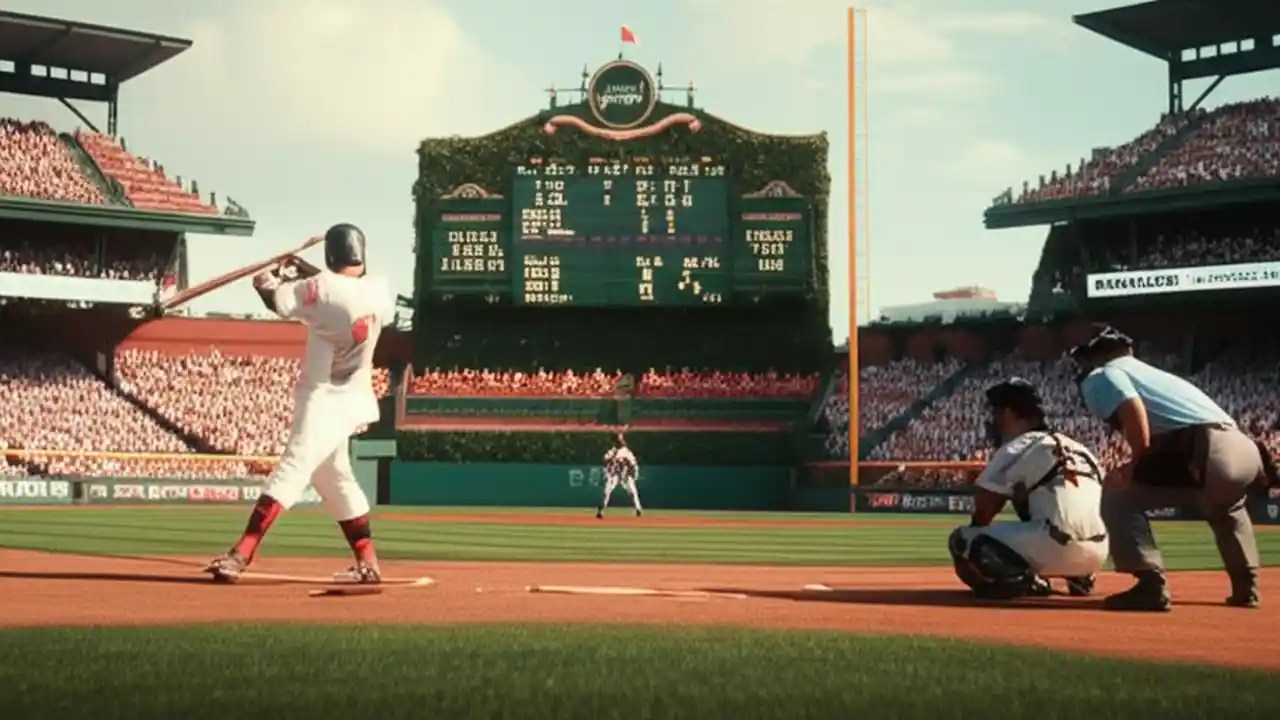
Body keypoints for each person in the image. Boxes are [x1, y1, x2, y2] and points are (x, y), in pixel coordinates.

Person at [205, 223, 396, 584]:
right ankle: (367, 562)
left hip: (323, 399)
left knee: (292, 467)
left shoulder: (320, 289)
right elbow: (337, 285)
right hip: (355, 397)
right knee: (334, 477)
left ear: (330, 255)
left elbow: (274, 297)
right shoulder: (377, 290)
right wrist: (296, 268)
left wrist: (269, 272)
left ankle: (240, 554)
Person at [1071, 324, 1271, 611]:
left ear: (1093, 355)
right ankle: (1247, 588)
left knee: (1119, 496)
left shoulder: (1103, 373)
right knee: (1228, 509)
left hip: (1207, 450)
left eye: (1081, 357)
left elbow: (1131, 408)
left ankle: (1150, 586)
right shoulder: (1154, 374)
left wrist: (1135, 463)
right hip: (1245, 451)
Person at [948, 378, 1108, 600]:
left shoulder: (1018, 446)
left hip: (1054, 547)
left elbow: (984, 511)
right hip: (1098, 553)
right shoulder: (1081, 449)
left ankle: (1019, 580)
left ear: (1009, 413)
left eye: (997, 412)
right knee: (1045, 505)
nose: (994, 420)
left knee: (962, 539)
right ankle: (1080, 578)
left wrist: (975, 547)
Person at [597, 432, 642, 519]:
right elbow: (605, 459)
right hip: (614, 475)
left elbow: (633, 463)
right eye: (618, 440)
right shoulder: (612, 450)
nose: (620, 442)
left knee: (633, 492)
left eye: (621, 440)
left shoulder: (626, 451)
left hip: (625, 475)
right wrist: (612, 456)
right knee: (606, 492)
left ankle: (638, 509)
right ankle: (601, 511)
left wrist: (634, 473)